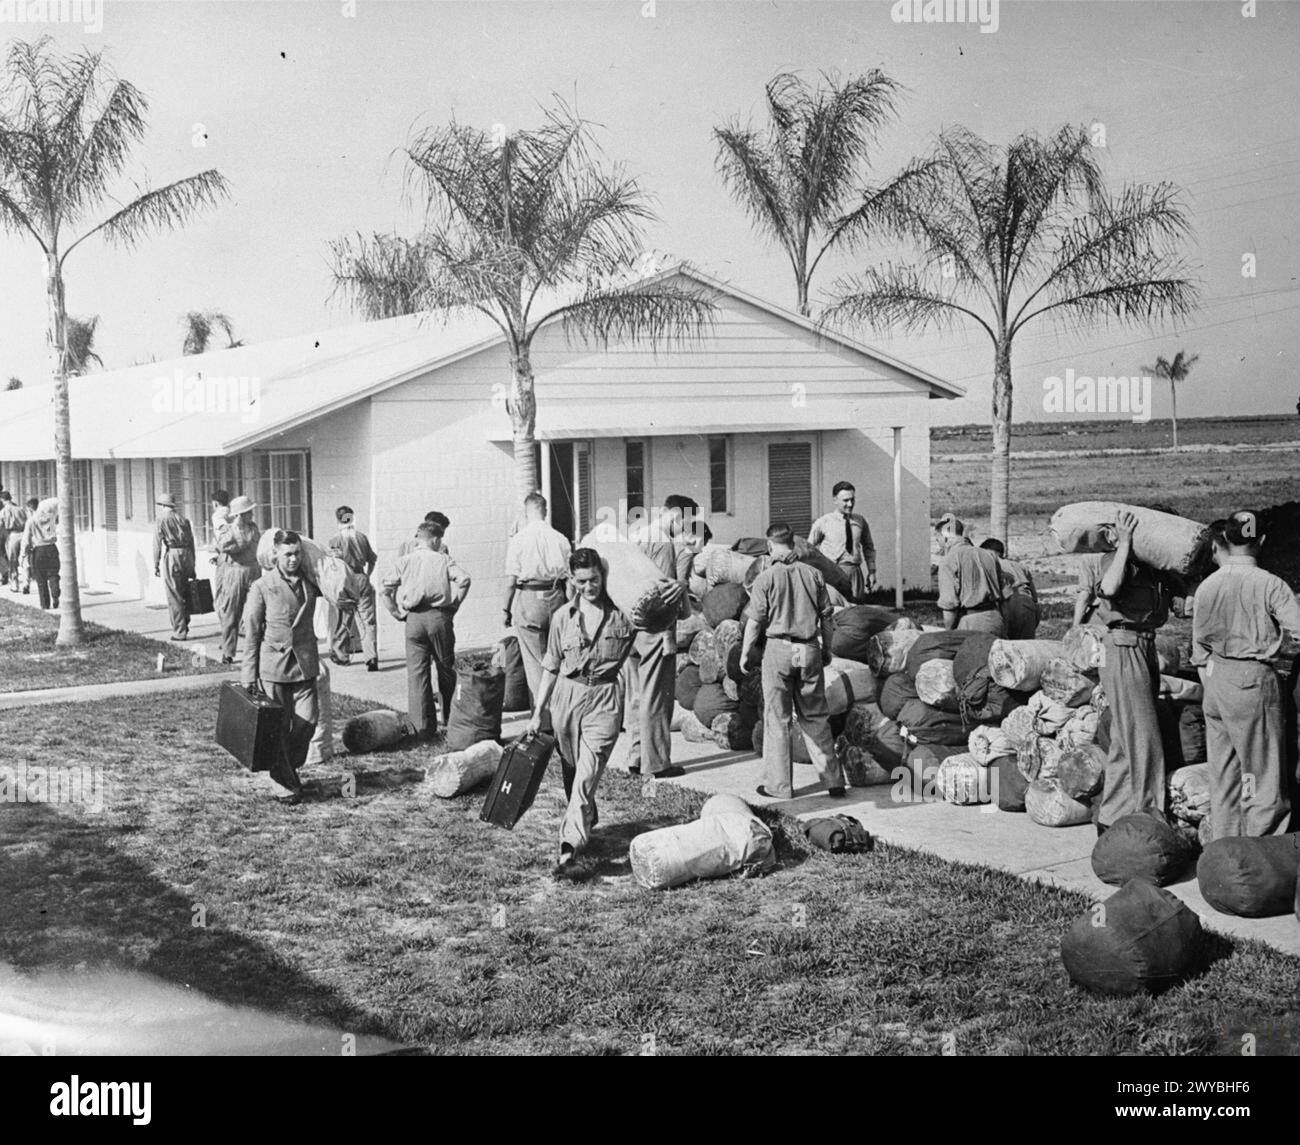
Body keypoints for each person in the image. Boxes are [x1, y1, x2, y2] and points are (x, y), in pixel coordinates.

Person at [1191, 510, 1300, 839]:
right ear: (1261, 541)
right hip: (1254, 678)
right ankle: (1261, 855)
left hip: (1217, 678)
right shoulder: (1270, 584)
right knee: (1262, 775)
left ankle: (1223, 853)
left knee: (1224, 774)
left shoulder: (1208, 586)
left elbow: (1198, 648)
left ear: (1226, 540)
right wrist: (1275, 650)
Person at [526, 547, 636, 870]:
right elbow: (550, 667)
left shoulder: (622, 614)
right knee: (573, 767)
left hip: (604, 699)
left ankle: (568, 847)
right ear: (572, 581)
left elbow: (671, 616)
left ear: (604, 576)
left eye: (595, 580)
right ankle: (586, 811)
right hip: (567, 697)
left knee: (586, 772)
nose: (590, 587)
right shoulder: (562, 617)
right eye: (583, 581)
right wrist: (538, 713)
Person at [1083, 509, 1177, 835]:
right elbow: (1108, 589)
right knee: (1145, 736)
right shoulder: (1117, 559)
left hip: (1145, 646)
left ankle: (1110, 818)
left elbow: (1182, 606)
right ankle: (1150, 820)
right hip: (1123, 645)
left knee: (1127, 738)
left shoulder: (1156, 569)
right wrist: (1124, 544)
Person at [740, 520, 846, 802]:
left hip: (779, 650)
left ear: (769, 545)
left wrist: (745, 653)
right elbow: (827, 617)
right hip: (809, 648)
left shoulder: (765, 578)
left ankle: (780, 786)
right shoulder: (813, 574)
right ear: (793, 543)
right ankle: (833, 780)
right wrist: (827, 649)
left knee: (778, 719)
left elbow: (754, 623)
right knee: (816, 716)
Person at [242, 530, 321, 793]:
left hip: (305, 664)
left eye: (298, 553)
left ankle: (284, 768)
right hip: (274, 667)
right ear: (275, 553)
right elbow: (252, 633)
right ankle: (285, 781)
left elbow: (339, 586)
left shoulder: (311, 582)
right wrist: (248, 675)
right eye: (288, 554)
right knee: (277, 728)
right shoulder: (262, 586)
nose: (293, 559)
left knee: (307, 722)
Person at [623, 495, 694, 779]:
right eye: (687, 521)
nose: (686, 528)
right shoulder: (663, 543)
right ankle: (657, 763)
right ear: (676, 516)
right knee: (657, 697)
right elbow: (665, 593)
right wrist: (669, 634)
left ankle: (636, 756)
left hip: (631, 626)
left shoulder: (636, 534)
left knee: (637, 696)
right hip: (655, 628)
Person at [381, 520, 470, 739]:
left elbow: (385, 590)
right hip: (439, 617)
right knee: (446, 669)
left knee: (417, 673)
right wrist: (455, 604)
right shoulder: (443, 559)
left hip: (413, 620)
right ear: (436, 539)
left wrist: (396, 612)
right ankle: (450, 721)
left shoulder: (404, 561)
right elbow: (464, 579)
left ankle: (421, 728)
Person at [502, 492, 571, 706]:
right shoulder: (560, 538)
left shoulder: (519, 539)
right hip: (557, 596)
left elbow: (511, 581)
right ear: (546, 511)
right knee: (557, 657)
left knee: (535, 663)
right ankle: (562, 711)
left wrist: (506, 609)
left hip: (530, 597)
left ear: (526, 512)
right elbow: (570, 577)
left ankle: (544, 720)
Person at [934, 513, 1011, 634]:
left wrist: (948, 632)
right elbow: (1005, 595)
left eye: (937, 539)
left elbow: (949, 605)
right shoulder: (988, 555)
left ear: (945, 537)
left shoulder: (948, 560)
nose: (938, 544)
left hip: (970, 623)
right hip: (996, 620)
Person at [327, 505, 379, 671]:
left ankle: (342, 655)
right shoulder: (362, 537)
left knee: (345, 619)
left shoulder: (335, 540)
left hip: (346, 581)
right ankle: (371, 657)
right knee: (367, 620)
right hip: (361, 577)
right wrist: (367, 576)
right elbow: (372, 560)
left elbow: (334, 566)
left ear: (337, 519)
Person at [213, 495, 261, 665]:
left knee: (255, 612)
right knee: (231, 613)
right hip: (235, 573)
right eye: (249, 512)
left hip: (254, 571)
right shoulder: (229, 530)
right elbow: (221, 546)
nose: (252, 515)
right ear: (240, 514)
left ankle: (256, 651)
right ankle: (228, 651)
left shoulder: (253, 528)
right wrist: (240, 540)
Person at [808, 480, 876, 601]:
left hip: (854, 573)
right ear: (835, 500)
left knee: (856, 611)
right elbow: (809, 549)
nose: (850, 504)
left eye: (852, 499)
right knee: (835, 610)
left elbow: (868, 547)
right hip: (832, 573)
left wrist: (872, 571)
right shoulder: (823, 522)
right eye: (845, 500)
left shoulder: (859, 521)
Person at [152, 492, 196, 641]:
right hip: (187, 554)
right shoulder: (183, 520)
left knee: (174, 595)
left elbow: (157, 544)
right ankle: (185, 622)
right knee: (185, 591)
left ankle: (180, 630)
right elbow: (192, 543)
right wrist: (193, 564)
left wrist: (156, 563)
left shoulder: (161, 520)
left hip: (173, 555)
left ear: (163, 506)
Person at [981, 537, 1039, 639]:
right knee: (1025, 645)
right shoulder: (1020, 566)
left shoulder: (991, 564)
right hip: (1027, 602)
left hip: (1008, 602)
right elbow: (1035, 597)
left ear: (987, 551)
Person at [20, 497, 59, 611]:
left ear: (30, 509)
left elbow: (26, 540)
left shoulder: (31, 521)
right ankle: (55, 594)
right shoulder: (50, 517)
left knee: (41, 579)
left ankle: (45, 604)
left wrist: (23, 556)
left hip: (39, 549)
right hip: (52, 547)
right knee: (53, 573)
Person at [0, 490, 25, 589]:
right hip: (23, 534)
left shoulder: (4, 511)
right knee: (25, 559)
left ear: (2, 500)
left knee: (12, 560)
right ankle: (26, 582)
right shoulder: (20, 509)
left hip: (12, 535)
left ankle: (15, 583)